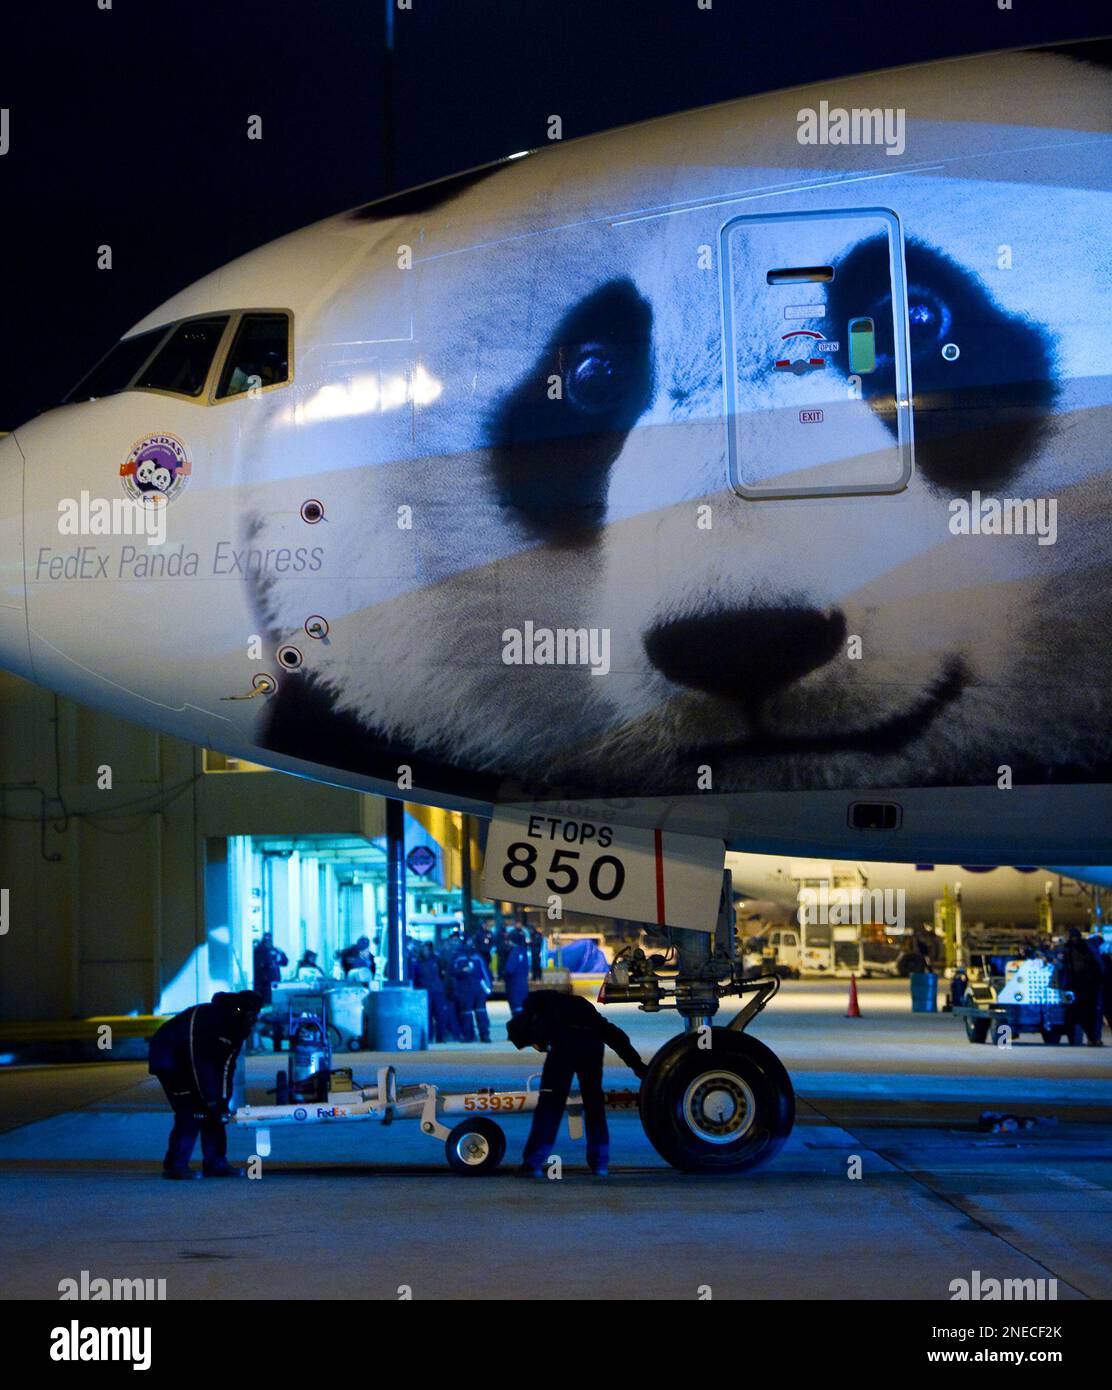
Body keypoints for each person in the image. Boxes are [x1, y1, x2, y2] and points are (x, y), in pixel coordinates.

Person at [507, 990, 648, 1178]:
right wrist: (638, 1067)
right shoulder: (579, 1008)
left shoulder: (535, 1011)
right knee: (594, 1102)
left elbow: (540, 1034)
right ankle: (600, 1164)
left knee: (550, 1103)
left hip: (565, 1045)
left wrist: (544, 1043)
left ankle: (533, 1163)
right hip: (592, 1045)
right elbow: (615, 1036)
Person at [148, 991, 263, 1179]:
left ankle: (216, 1164)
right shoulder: (206, 1020)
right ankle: (175, 1165)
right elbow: (198, 1062)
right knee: (191, 1111)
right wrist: (209, 1098)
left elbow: (227, 1066)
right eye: (253, 1014)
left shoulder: (237, 1028)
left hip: (194, 1061)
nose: (256, 1020)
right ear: (241, 1010)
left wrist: (222, 1100)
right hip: (170, 1059)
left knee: (215, 1111)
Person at [1063, 927, 1103, 1045]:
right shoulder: (1087, 947)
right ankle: (1093, 1038)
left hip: (1083, 986)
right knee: (1091, 1013)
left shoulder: (1070, 948)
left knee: (1086, 1013)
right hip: (1087, 986)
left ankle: (1093, 1038)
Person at [452, 939, 492, 1042]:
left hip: (471, 989)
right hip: (471, 989)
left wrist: (488, 987)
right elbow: (485, 972)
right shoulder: (474, 956)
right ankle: (481, 1035)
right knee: (474, 1012)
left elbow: (454, 973)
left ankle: (476, 1035)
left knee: (472, 1012)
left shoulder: (461, 956)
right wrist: (488, 987)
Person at [412, 941, 451, 1043]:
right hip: (425, 993)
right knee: (427, 1016)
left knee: (440, 1015)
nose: (425, 951)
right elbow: (414, 978)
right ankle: (429, 1037)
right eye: (423, 949)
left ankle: (440, 1038)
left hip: (437, 992)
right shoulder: (417, 962)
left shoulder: (437, 960)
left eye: (426, 949)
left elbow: (444, 974)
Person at [252, 931, 287, 1004]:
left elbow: (284, 962)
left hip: (274, 981)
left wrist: (281, 953)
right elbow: (260, 966)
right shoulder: (258, 951)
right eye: (266, 940)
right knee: (266, 1001)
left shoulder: (275, 950)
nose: (268, 942)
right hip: (264, 983)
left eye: (270, 940)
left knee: (274, 1000)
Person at [502, 928, 532, 1014]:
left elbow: (509, 969)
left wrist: (504, 975)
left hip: (514, 986)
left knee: (516, 1011)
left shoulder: (514, 953)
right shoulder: (523, 951)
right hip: (523, 986)